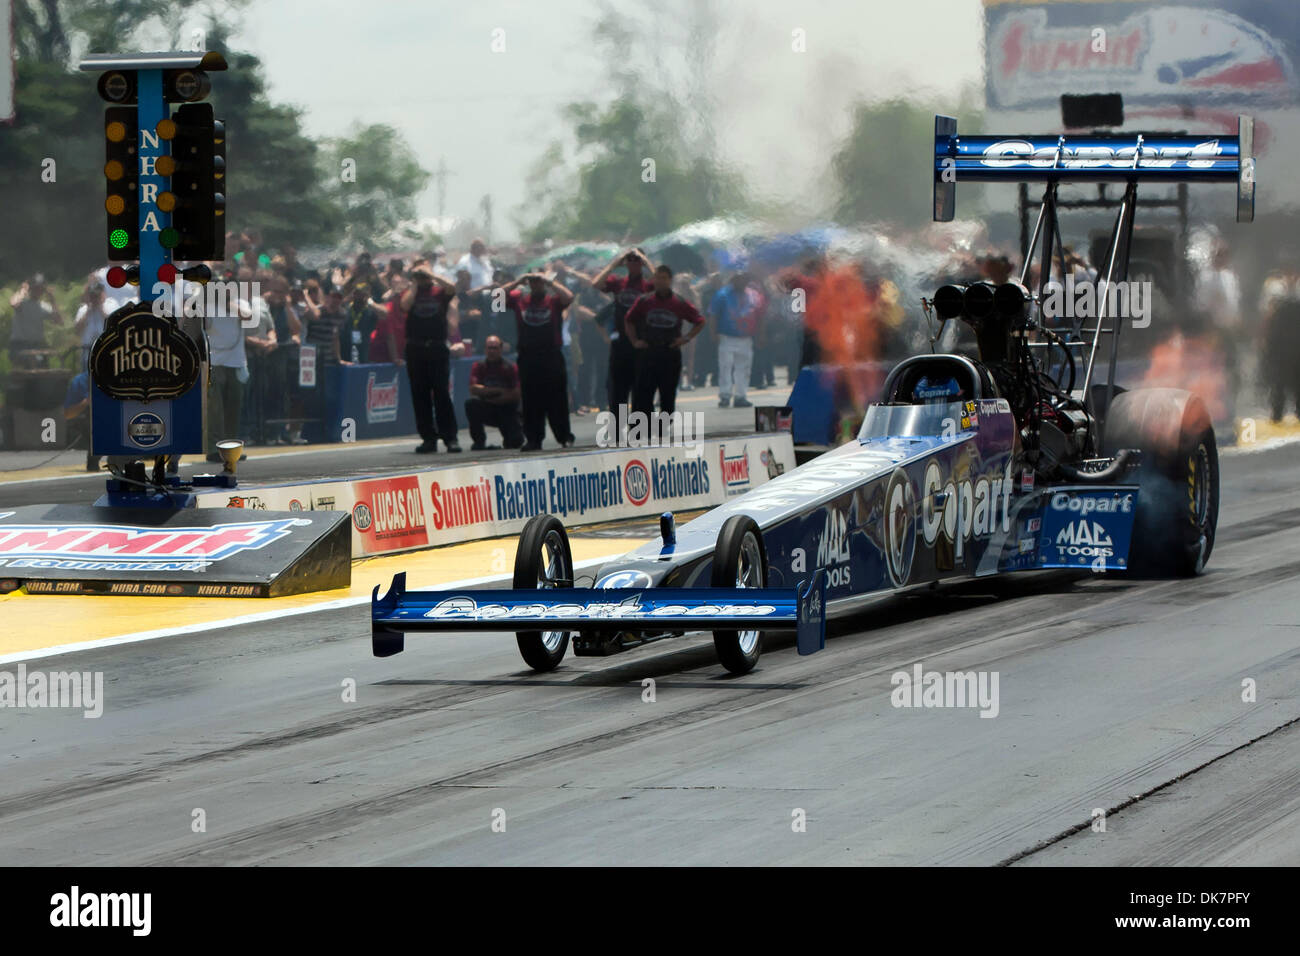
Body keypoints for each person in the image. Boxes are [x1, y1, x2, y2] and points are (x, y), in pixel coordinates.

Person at [503, 272, 575, 451]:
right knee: (531, 401)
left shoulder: (553, 301)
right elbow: (496, 299)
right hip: (528, 356)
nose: (536, 285)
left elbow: (569, 297)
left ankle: (564, 436)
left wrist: (550, 281)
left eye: (538, 282)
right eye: (533, 282)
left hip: (551, 355)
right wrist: (519, 280)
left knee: (557, 399)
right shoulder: (520, 300)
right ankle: (534, 439)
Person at [625, 264, 706, 417]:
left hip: (670, 352)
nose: (660, 282)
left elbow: (700, 321)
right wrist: (635, 341)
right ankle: (644, 428)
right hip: (648, 352)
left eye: (664, 278)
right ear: (653, 280)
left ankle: (663, 426)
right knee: (644, 394)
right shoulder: (644, 301)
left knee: (668, 395)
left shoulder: (679, 302)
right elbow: (629, 320)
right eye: (657, 278)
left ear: (670, 280)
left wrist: (686, 338)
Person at [400, 265, 461, 453]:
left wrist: (432, 275)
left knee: (441, 393)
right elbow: (404, 306)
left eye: (423, 276)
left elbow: (453, 288)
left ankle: (450, 438)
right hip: (416, 348)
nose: (422, 278)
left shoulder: (439, 292)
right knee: (420, 395)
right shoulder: (411, 292)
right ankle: (428, 438)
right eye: (419, 276)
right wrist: (414, 284)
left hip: (436, 347)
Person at [590, 248, 655, 413]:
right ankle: (616, 427)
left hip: (642, 340)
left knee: (641, 385)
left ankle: (641, 427)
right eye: (630, 260)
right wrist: (614, 264)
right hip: (621, 341)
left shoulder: (647, 284)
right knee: (617, 387)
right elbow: (596, 283)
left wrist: (645, 261)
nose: (633, 262)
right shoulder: (619, 282)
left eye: (636, 260)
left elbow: (662, 284)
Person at [709, 271, 765, 408]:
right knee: (725, 367)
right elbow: (713, 315)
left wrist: (760, 335)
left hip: (746, 338)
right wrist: (713, 333)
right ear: (733, 280)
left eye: (744, 279)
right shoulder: (722, 295)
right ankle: (725, 396)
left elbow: (760, 317)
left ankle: (741, 396)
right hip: (727, 337)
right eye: (738, 279)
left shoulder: (753, 295)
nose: (741, 282)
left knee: (744, 368)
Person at [465, 335, 524, 450]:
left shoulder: (511, 367)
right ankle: (479, 441)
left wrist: (488, 394)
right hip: (489, 409)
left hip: (507, 411)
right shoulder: (478, 366)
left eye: (495, 348)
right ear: (485, 349)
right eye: (489, 348)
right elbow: (473, 389)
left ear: (501, 349)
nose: (492, 351)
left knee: (515, 442)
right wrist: (499, 391)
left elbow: (516, 394)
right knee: (471, 404)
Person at [7, 274, 64, 368]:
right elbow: (13, 303)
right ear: (31, 288)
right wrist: (23, 290)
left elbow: (59, 321)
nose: (38, 291)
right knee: (30, 366)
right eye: (36, 288)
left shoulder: (43, 306)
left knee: (43, 368)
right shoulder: (22, 304)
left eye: (41, 288)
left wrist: (52, 300)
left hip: (36, 346)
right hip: (20, 346)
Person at [73, 279, 117, 371]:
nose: (95, 298)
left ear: (103, 294)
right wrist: (88, 310)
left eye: (97, 295)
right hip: (88, 354)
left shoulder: (111, 305)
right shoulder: (83, 310)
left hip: (107, 352)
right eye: (93, 296)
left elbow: (114, 326)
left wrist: (101, 309)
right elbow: (77, 330)